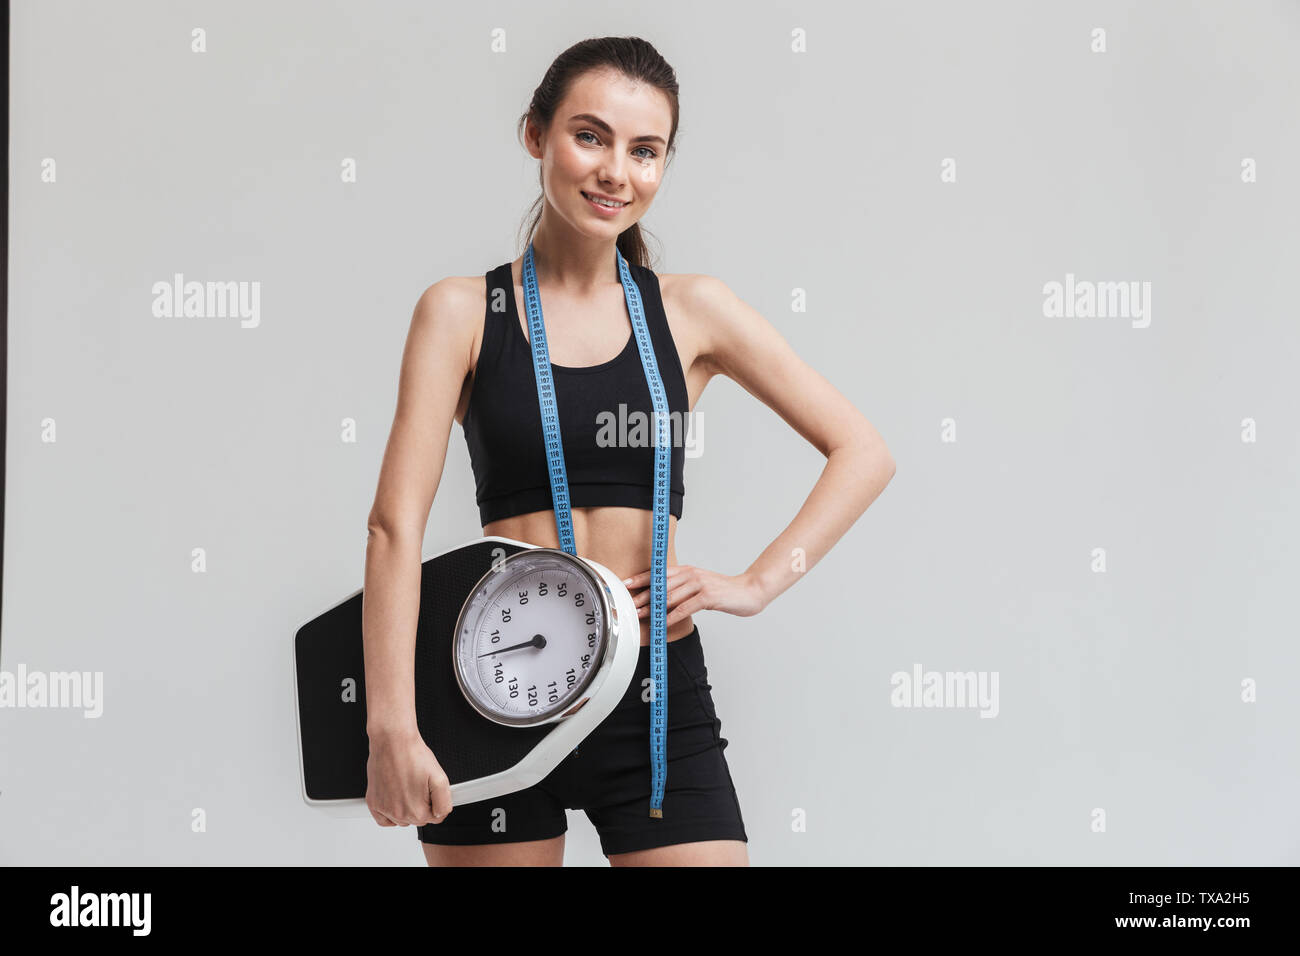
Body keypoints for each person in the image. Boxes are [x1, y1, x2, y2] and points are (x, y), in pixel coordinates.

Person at [360, 36, 896, 867]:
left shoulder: (693, 313)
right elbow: (395, 527)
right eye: (591, 136)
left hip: (652, 690)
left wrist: (755, 584)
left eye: (645, 151)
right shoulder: (462, 313)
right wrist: (391, 727)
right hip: (493, 686)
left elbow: (863, 451)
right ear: (534, 135)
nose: (617, 171)